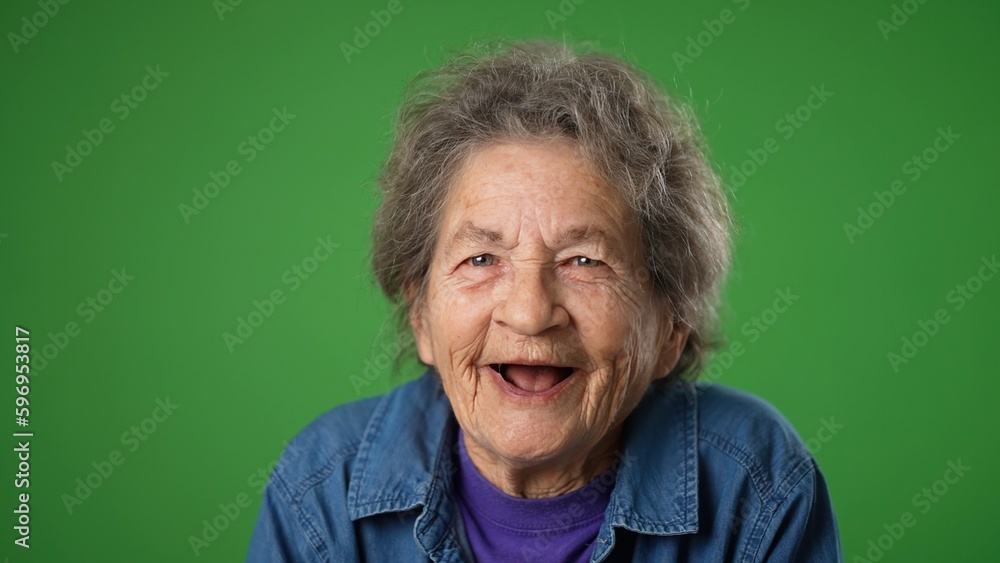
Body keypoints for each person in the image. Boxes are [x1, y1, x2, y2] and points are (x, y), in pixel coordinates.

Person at [247, 40, 842, 562]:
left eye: (585, 262)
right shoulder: (321, 486)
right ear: (421, 316)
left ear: (670, 330)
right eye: (481, 260)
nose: (529, 313)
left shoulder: (757, 485)